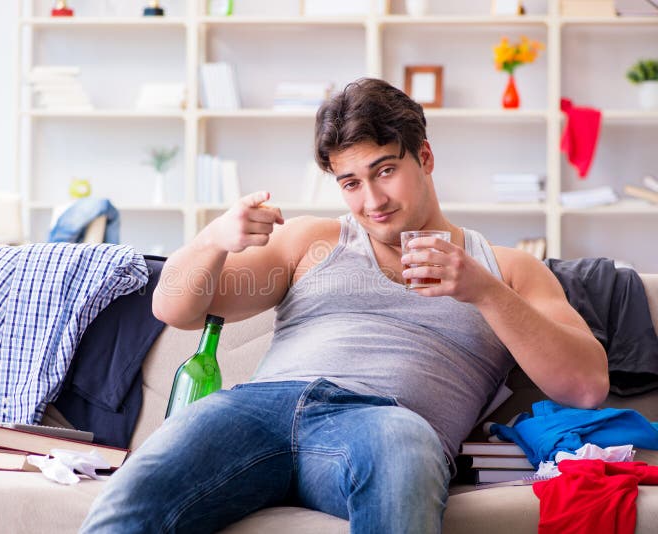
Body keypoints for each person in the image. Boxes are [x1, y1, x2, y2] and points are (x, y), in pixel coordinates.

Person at [81, 78, 608, 533]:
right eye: (351, 183)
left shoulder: (506, 269)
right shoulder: (311, 240)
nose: (372, 201)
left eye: (385, 171)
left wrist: (484, 292)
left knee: (404, 443)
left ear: (424, 157)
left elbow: (586, 385)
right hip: (253, 412)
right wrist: (213, 240)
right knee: (128, 500)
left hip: (384, 424)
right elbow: (174, 309)